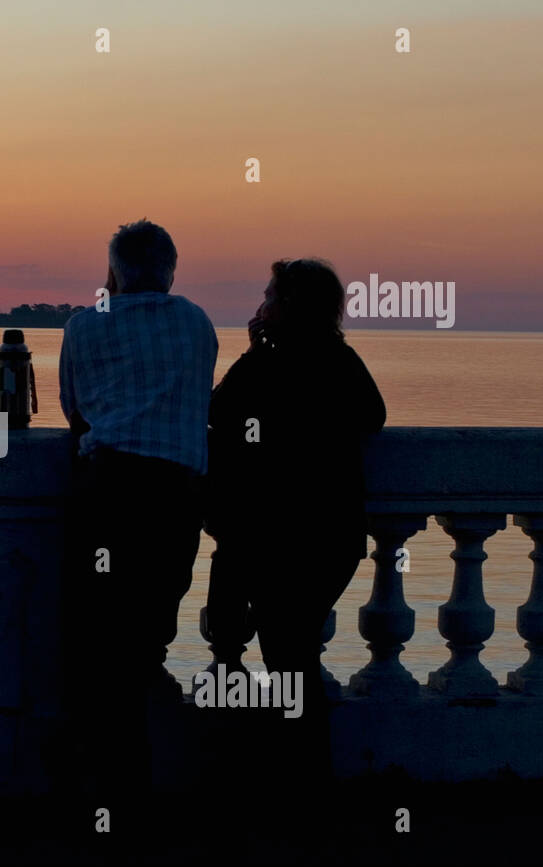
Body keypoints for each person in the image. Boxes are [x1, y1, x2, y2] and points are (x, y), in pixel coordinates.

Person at [58, 219, 218, 807]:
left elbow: (75, 413)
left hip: (108, 491)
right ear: (171, 271)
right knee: (149, 631)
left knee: (97, 634)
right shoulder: (198, 322)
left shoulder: (83, 326)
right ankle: (144, 782)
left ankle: (111, 785)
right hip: (176, 497)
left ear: (115, 271)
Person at [206, 258, 386, 780]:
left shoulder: (268, 363)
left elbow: (219, 410)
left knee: (289, 659)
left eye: (269, 296)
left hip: (278, 538)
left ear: (287, 306)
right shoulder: (339, 357)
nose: (261, 305)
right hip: (330, 538)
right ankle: (301, 777)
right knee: (294, 655)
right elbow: (373, 415)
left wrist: (256, 350)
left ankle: (301, 781)